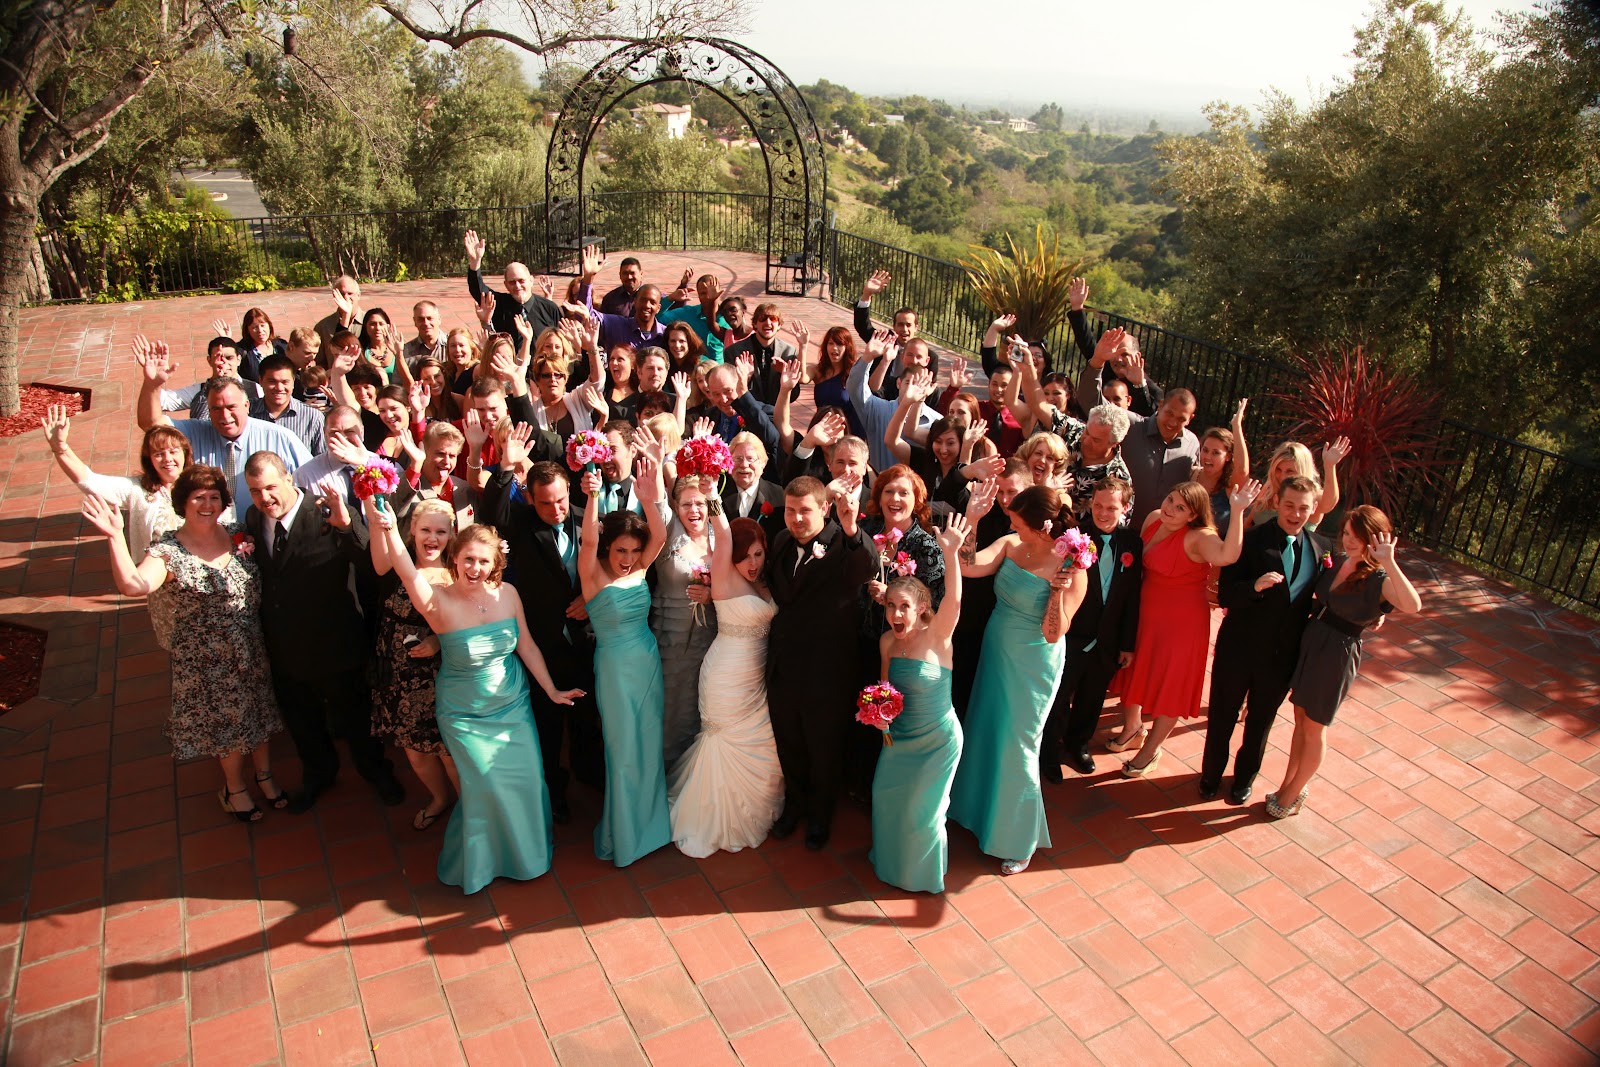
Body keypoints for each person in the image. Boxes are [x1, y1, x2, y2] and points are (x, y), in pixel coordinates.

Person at [369, 505, 580, 892]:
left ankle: (527, 856)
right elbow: (403, 565)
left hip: (514, 705)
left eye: (484, 561)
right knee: (483, 787)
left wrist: (550, 690)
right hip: (464, 713)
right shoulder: (435, 601)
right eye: (468, 559)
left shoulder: (509, 594)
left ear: (495, 563)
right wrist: (385, 526)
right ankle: (482, 862)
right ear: (455, 558)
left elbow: (528, 647)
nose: (475, 567)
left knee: (528, 779)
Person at [81, 466, 285, 822]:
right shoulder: (168, 552)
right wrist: (114, 536)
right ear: (183, 502)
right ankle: (234, 789)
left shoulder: (239, 534)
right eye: (198, 497)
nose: (207, 504)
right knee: (228, 725)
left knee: (260, 712)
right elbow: (134, 585)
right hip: (207, 659)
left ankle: (265, 776)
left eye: (214, 497)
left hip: (251, 647)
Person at [242, 451, 403, 811]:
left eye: (270, 487)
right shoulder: (254, 518)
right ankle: (319, 774)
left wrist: (348, 527)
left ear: (289, 479)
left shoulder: (326, 512)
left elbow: (370, 563)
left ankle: (376, 771)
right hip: (286, 646)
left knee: (357, 720)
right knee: (303, 722)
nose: (264, 497)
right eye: (255, 490)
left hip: (336, 644)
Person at [949, 482, 1085, 875]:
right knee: (987, 729)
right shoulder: (1011, 544)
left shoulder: (1072, 567)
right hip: (997, 650)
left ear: (1042, 526)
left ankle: (1018, 838)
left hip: (1033, 663)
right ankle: (975, 815)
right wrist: (972, 520)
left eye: (1016, 522)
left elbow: (1053, 633)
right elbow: (970, 565)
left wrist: (1058, 592)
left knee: (1018, 744)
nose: (1011, 526)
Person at [1268, 507, 1422, 818]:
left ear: (1373, 539)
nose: (1349, 541)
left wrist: (1389, 561)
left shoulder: (1378, 578)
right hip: (1313, 641)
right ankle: (1288, 782)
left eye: (1357, 537)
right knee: (1300, 719)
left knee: (1315, 726)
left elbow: (1412, 605)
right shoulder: (1337, 561)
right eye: (1347, 534)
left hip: (1337, 653)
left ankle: (1295, 791)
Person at [479, 454, 604, 822]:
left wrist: (592, 597)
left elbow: (611, 567)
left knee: (587, 717)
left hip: (585, 642)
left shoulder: (588, 518)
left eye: (561, 499)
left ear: (570, 490)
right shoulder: (518, 525)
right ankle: (554, 792)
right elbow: (491, 516)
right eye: (545, 502)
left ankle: (590, 773)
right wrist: (503, 471)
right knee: (547, 728)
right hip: (541, 645)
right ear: (530, 499)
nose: (555, 509)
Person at [1117, 479, 1263, 778]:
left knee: (1171, 685)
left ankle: (1151, 749)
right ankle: (1132, 729)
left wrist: (1237, 512)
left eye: (1180, 507)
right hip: (1145, 614)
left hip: (1181, 624)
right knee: (1133, 671)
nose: (1170, 509)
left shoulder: (1200, 537)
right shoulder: (1154, 518)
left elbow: (1228, 555)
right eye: (1171, 499)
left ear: (1193, 515)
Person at [1199, 474, 1327, 805]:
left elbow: (1327, 596)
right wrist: (1253, 588)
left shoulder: (1319, 549)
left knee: (1260, 723)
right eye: (1289, 506)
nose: (1295, 514)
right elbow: (1226, 593)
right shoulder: (1251, 540)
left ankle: (1244, 780)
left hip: (1281, 656)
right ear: (1278, 504)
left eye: (1303, 508)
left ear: (1313, 510)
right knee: (1223, 716)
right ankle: (1211, 776)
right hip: (1238, 649)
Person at [765, 474, 875, 850]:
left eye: (805, 511)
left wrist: (850, 528)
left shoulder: (845, 544)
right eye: (790, 511)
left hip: (827, 671)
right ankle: (794, 806)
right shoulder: (780, 541)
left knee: (823, 748)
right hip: (784, 666)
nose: (796, 519)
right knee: (790, 743)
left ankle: (819, 817)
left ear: (824, 508)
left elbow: (865, 567)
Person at [668, 511, 784, 856]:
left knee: (763, 742)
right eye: (744, 555)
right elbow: (721, 530)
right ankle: (713, 815)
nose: (752, 563)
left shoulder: (765, 582)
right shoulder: (724, 576)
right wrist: (712, 490)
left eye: (758, 554)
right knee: (725, 739)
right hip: (725, 675)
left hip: (757, 677)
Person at [578, 454, 673, 867]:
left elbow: (661, 536)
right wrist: (595, 496)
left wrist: (651, 498)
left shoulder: (639, 569)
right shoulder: (593, 573)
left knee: (649, 743)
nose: (629, 558)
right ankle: (625, 834)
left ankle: (652, 827)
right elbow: (587, 543)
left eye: (634, 550)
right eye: (621, 549)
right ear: (608, 546)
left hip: (647, 664)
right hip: (614, 671)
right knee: (622, 749)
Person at [870, 516, 968, 893]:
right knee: (885, 796)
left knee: (922, 813)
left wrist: (952, 553)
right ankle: (892, 866)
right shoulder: (887, 643)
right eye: (890, 606)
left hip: (938, 741)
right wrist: (878, 715)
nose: (896, 614)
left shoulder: (938, 636)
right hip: (899, 739)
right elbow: (883, 689)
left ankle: (923, 877)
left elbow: (955, 600)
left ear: (921, 605)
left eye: (904, 607)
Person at [1040, 477, 1142, 780]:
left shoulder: (1132, 542)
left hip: (1108, 639)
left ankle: (1078, 743)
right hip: (1075, 633)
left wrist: (1127, 643)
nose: (1103, 512)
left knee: (1093, 695)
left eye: (1111, 507)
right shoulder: (1077, 538)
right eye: (1098, 505)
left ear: (1124, 508)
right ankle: (1050, 750)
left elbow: (1132, 596)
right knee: (1060, 696)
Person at [366, 498, 459, 830]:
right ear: (411, 531)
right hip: (398, 672)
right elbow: (378, 557)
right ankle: (439, 798)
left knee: (447, 750)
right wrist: (370, 494)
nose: (432, 539)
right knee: (414, 751)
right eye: (425, 530)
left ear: (452, 535)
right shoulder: (395, 564)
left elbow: (469, 623)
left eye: (440, 532)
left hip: (440, 675)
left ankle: (466, 810)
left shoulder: (459, 571)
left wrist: (437, 642)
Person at [135, 340, 311, 512]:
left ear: (247, 405)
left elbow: (312, 481)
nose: (225, 416)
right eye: (216, 409)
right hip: (210, 534)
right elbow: (151, 425)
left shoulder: (280, 438)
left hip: (263, 533)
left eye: (231, 407)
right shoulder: (195, 432)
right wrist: (152, 386)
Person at [950, 460, 1027, 718]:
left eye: (1012, 492)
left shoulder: (1041, 527)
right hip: (973, 617)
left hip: (1015, 627)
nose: (1005, 500)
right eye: (1000, 491)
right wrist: (969, 471)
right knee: (965, 688)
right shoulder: (984, 510)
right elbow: (948, 489)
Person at [653, 470, 718, 766]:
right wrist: (657, 462)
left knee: (703, 706)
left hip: (711, 639)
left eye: (700, 504)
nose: (694, 510)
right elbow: (657, 504)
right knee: (672, 707)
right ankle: (666, 773)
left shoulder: (720, 539)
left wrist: (713, 594)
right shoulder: (670, 536)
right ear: (677, 509)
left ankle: (695, 775)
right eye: (687, 505)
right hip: (671, 641)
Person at [848, 329, 939, 473]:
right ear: (898, 383)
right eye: (908, 383)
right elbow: (855, 389)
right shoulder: (877, 409)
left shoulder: (935, 422)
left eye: (919, 384)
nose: (913, 390)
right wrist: (867, 357)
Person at [852, 268, 940, 397]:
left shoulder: (929, 356)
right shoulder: (883, 341)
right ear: (894, 326)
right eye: (900, 324)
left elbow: (930, 391)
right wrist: (866, 295)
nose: (904, 329)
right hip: (879, 397)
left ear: (916, 327)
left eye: (908, 325)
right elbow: (862, 326)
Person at [464, 230, 564, 337]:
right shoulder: (498, 305)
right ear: (506, 284)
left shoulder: (549, 308)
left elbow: (561, 342)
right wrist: (475, 262)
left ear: (531, 280)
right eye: (512, 282)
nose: (517, 286)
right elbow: (478, 290)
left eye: (521, 281)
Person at [1251, 439, 1349, 530]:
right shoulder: (1270, 487)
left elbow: (1329, 503)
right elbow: (1248, 523)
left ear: (1303, 470)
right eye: (1278, 469)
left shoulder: (1313, 495)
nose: (1282, 476)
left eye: (1290, 471)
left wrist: (1329, 466)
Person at [724, 303, 800, 405]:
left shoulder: (789, 352)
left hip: (776, 412)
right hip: (746, 412)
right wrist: (745, 378)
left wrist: (784, 374)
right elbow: (729, 391)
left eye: (773, 319)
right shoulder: (734, 352)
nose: (768, 323)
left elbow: (793, 395)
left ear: (779, 325)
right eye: (762, 318)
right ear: (755, 324)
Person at [1193, 400, 1251, 531]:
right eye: (1205, 450)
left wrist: (1236, 426)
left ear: (1229, 457)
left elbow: (1242, 470)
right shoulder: (1192, 474)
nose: (1207, 457)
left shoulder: (1231, 486)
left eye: (1215, 453)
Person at [255, 354, 326, 456]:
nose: (279, 388)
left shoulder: (312, 417)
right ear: (261, 380)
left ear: (293, 381)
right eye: (272, 381)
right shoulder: (247, 412)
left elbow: (323, 461)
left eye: (285, 382)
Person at [314, 275, 362, 343]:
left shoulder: (370, 321)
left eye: (350, 293)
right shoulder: (323, 327)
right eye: (341, 294)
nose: (346, 298)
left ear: (358, 295)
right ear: (335, 296)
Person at [404, 300, 447, 371]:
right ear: (415, 321)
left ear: (439, 319)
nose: (426, 323)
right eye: (421, 319)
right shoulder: (406, 351)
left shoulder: (454, 345)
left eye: (429, 318)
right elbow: (398, 381)